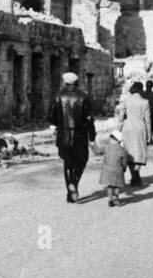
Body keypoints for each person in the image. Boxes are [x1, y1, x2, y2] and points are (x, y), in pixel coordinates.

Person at [49, 72, 95, 203]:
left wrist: (58, 124)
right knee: (82, 160)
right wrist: (92, 135)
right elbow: (89, 118)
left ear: (65, 82)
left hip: (63, 135)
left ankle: (70, 190)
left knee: (67, 162)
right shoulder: (83, 96)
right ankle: (74, 181)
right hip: (80, 135)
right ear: (77, 82)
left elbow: (51, 117)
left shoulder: (58, 96)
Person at [116, 80, 152, 187]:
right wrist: (149, 135)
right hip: (140, 127)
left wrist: (118, 131)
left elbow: (121, 118)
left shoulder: (126, 101)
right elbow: (148, 120)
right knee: (139, 152)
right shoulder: (145, 102)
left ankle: (134, 176)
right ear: (141, 90)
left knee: (129, 152)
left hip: (127, 127)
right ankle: (136, 174)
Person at [97, 132, 129, 207]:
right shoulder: (123, 150)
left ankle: (110, 199)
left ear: (112, 139)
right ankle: (116, 197)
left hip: (107, 170)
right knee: (117, 186)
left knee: (110, 186)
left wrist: (94, 143)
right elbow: (124, 161)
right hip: (118, 170)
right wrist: (124, 168)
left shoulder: (106, 147)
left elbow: (97, 151)